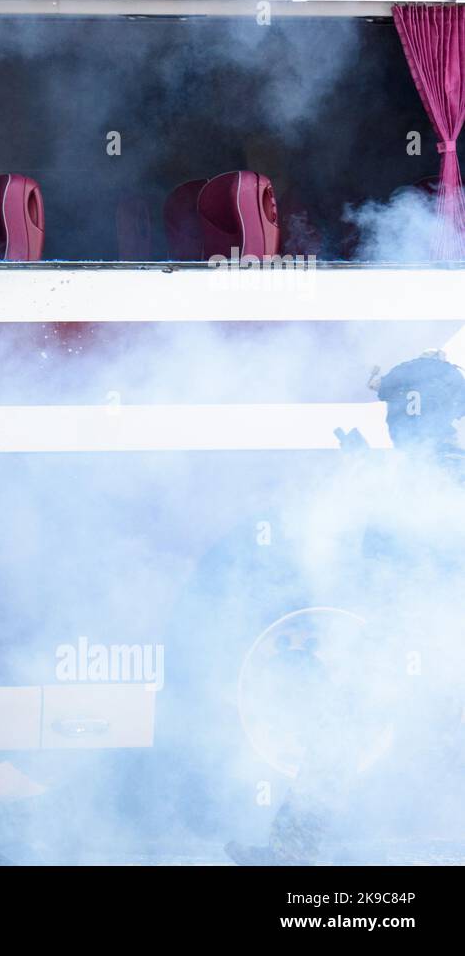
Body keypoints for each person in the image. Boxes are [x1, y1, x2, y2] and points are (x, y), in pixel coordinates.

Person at [227, 350, 465, 865]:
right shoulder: (420, 469)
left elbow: (422, 537)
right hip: (405, 632)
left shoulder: (440, 470)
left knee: (342, 728)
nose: (390, 424)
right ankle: (290, 847)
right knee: (339, 728)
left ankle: (291, 848)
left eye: (395, 412)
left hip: (433, 629)